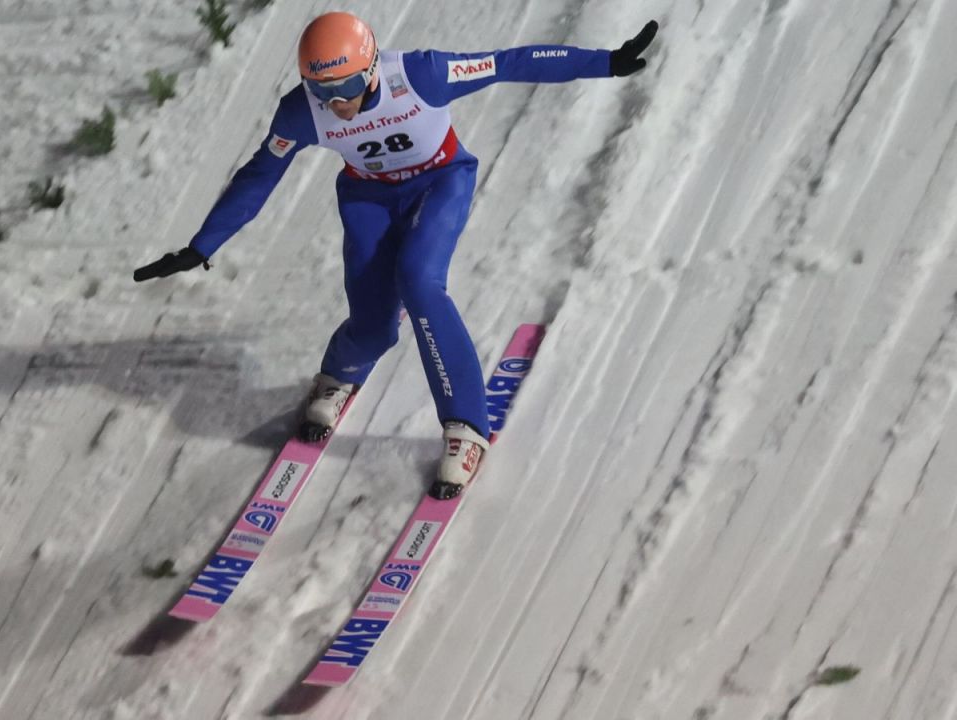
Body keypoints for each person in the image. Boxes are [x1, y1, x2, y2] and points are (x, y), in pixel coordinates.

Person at [135, 12, 658, 499]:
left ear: (369, 70)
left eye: (344, 87)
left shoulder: (421, 75)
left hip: (440, 181)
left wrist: (604, 62)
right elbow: (260, 175)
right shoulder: (301, 111)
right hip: (369, 197)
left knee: (420, 281)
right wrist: (202, 245)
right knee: (373, 322)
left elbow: (508, 63)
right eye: (321, 89)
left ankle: (466, 426)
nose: (335, 102)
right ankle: (341, 374)